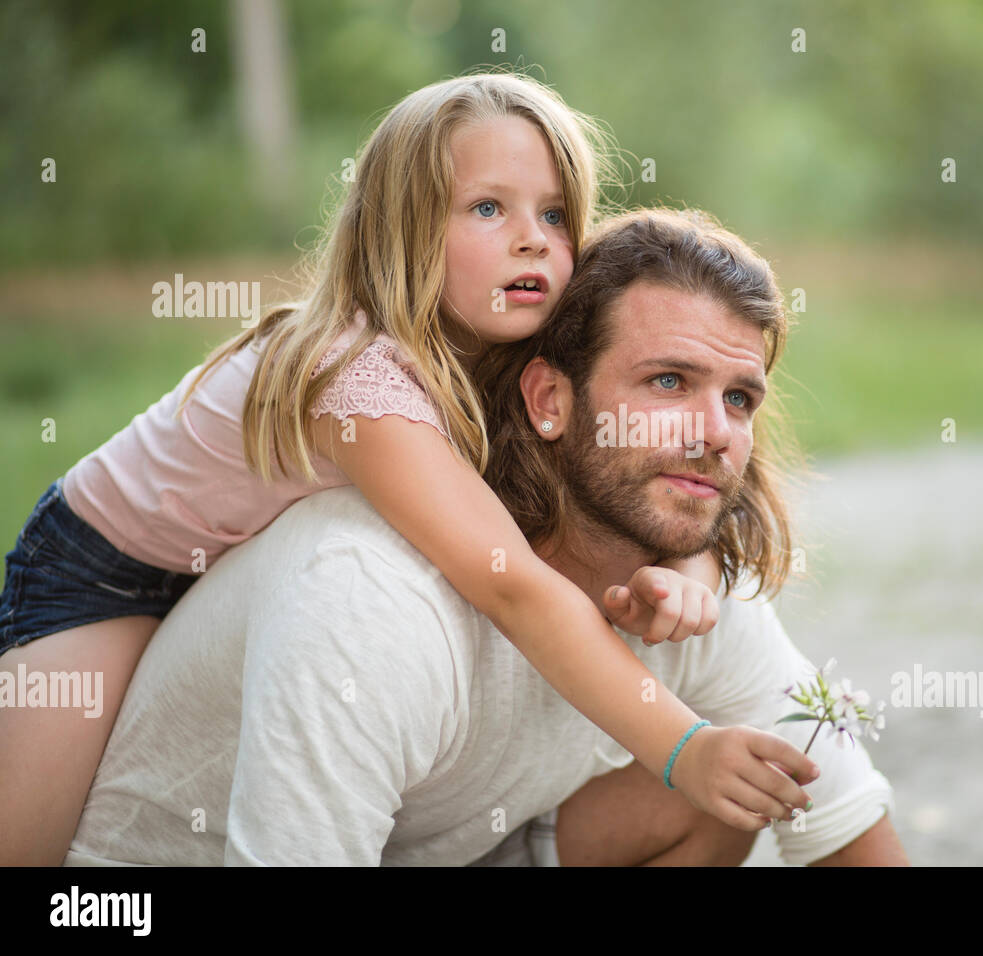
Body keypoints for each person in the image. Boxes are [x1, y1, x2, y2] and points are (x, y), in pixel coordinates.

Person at [0, 72, 816, 865]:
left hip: (232, 572)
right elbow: (511, 584)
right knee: (28, 849)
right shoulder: (352, 377)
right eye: (488, 208)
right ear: (405, 229)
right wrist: (683, 749)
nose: (532, 237)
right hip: (102, 575)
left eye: (556, 213)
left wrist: (695, 570)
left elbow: (660, 484)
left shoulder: (516, 350)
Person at [64, 207, 906, 866]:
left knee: (733, 788)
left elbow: (844, 817)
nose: (716, 432)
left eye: (739, 400)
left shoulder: (682, 588)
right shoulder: (365, 587)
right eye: (668, 381)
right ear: (549, 400)